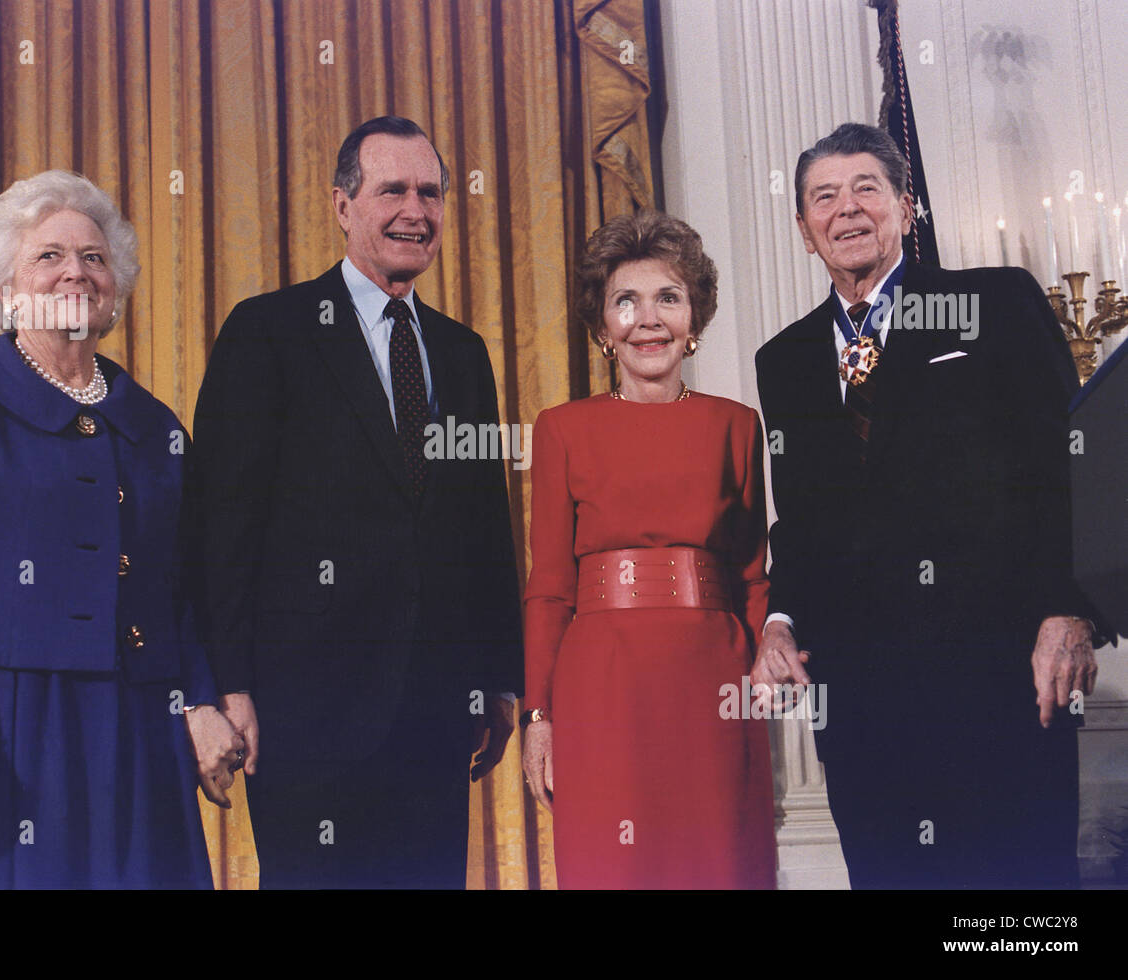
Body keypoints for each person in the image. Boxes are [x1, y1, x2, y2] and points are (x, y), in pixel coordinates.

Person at [753, 122, 1101, 888]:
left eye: (866, 188)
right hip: (863, 703)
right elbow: (799, 520)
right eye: (824, 197)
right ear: (805, 229)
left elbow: (1067, 466)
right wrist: (780, 621)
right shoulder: (783, 360)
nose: (847, 209)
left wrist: (1069, 610)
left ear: (905, 208)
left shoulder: (994, 302)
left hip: (1005, 678)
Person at [0, 170, 244, 888]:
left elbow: (182, 590)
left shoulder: (156, 427)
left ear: (114, 288)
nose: (75, 270)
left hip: (138, 729)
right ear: (7, 286)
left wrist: (201, 700)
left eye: (93, 257)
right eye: (49, 255)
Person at [185, 116, 523, 889]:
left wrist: (501, 678)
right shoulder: (267, 332)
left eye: (430, 193)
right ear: (342, 205)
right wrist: (229, 685)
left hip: (436, 713)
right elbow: (222, 526)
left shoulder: (463, 353)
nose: (416, 210)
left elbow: (484, 529)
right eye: (392, 190)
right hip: (302, 715)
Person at [521, 210, 776, 888]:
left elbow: (753, 575)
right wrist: (539, 716)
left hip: (715, 681)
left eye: (668, 297)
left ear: (694, 319)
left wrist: (761, 675)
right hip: (601, 688)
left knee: (719, 863)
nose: (648, 319)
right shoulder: (561, 429)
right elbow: (548, 587)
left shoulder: (737, 425)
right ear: (603, 327)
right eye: (625, 302)